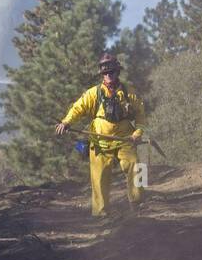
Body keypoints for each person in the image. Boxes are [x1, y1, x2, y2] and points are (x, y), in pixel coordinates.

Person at [56, 53, 147, 217]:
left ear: (117, 72)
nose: (108, 76)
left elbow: (141, 115)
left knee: (138, 166)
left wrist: (138, 132)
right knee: (99, 179)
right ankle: (101, 214)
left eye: (111, 72)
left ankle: (138, 204)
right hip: (99, 142)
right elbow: (78, 108)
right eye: (105, 73)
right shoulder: (93, 93)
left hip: (125, 139)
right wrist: (66, 122)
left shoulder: (130, 93)